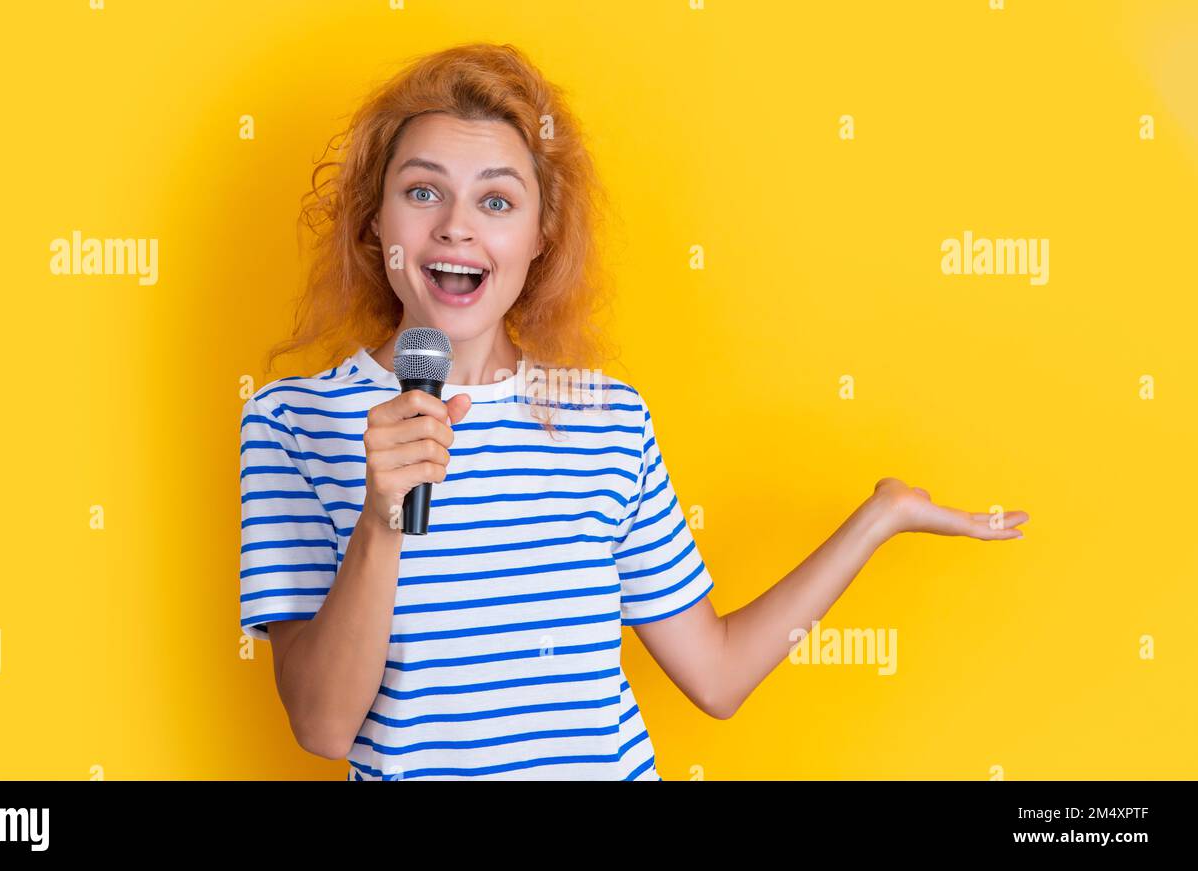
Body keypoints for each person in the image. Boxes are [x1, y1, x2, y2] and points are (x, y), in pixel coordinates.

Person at [238, 43, 1030, 781]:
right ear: (376, 221)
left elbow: (716, 676)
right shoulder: (292, 421)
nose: (457, 225)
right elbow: (323, 726)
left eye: (498, 200)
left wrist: (877, 518)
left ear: (542, 234)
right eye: (422, 191)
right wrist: (381, 520)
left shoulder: (606, 419)